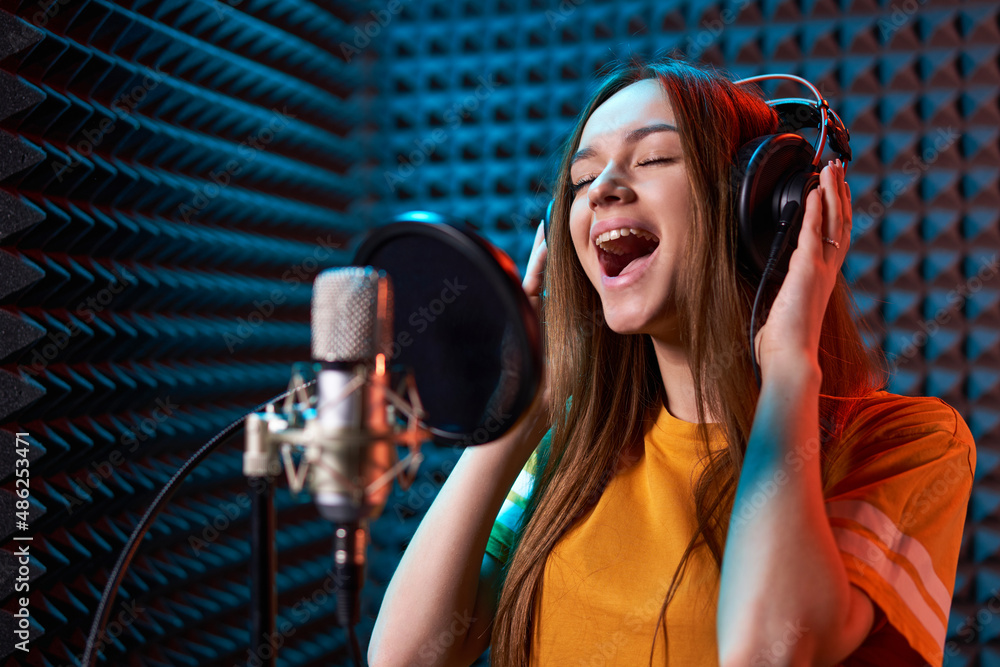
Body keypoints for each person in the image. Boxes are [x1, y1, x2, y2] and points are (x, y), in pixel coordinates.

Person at [368, 56, 976, 667]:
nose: (602, 188)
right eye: (581, 181)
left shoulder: (906, 445)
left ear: (763, 205)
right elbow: (405, 659)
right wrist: (522, 398)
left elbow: (768, 652)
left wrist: (789, 367)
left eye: (654, 158)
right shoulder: (569, 453)